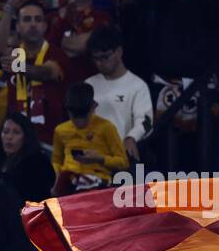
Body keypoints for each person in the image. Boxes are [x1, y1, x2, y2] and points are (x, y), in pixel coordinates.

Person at [0, 0, 67, 147]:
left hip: (49, 140)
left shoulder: (56, 53)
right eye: (27, 20)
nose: (33, 24)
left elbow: (47, 72)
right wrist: (10, 6)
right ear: (18, 27)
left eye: (38, 20)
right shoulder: (14, 52)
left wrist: (19, 66)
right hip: (16, 141)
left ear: (45, 26)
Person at [84, 27, 152, 164]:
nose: (100, 63)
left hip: (123, 158)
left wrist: (131, 138)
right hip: (92, 160)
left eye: (105, 57)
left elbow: (146, 122)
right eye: (96, 58)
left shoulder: (137, 86)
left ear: (119, 52)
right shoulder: (89, 84)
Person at [50, 81, 127, 194]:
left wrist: (99, 159)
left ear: (93, 106)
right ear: (68, 111)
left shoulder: (106, 127)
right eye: (75, 117)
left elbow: (123, 163)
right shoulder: (60, 130)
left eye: (83, 116)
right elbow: (56, 161)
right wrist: (55, 179)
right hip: (68, 180)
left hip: (97, 181)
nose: (79, 122)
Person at [0, 112, 55, 202]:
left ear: (26, 137)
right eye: (6, 132)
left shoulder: (37, 163)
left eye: (16, 132)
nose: (9, 137)